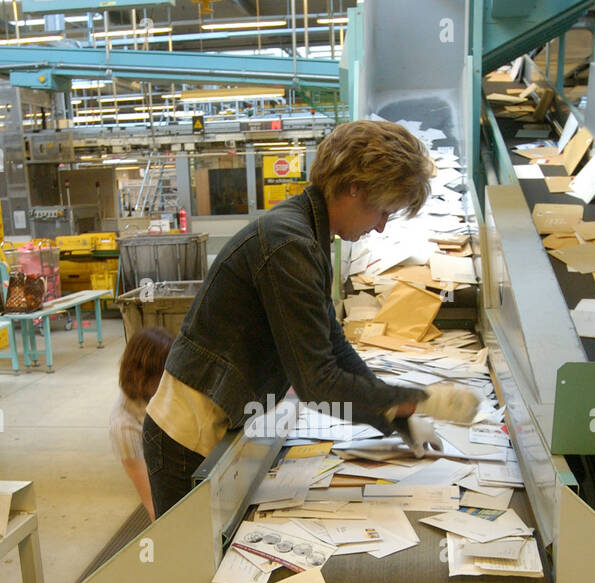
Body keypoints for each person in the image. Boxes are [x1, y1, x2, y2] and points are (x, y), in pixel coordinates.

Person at [142, 119, 480, 519]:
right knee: (189, 570)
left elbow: (333, 346)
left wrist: (399, 419)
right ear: (354, 186)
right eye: (382, 209)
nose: (380, 225)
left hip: (216, 423)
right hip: (188, 438)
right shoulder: (289, 243)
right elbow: (317, 383)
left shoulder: (306, 236)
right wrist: (418, 399)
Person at [110, 326, 173, 521]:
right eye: (166, 372)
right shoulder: (125, 429)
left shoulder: (160, 390)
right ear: (145, 376)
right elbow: (154, 504)